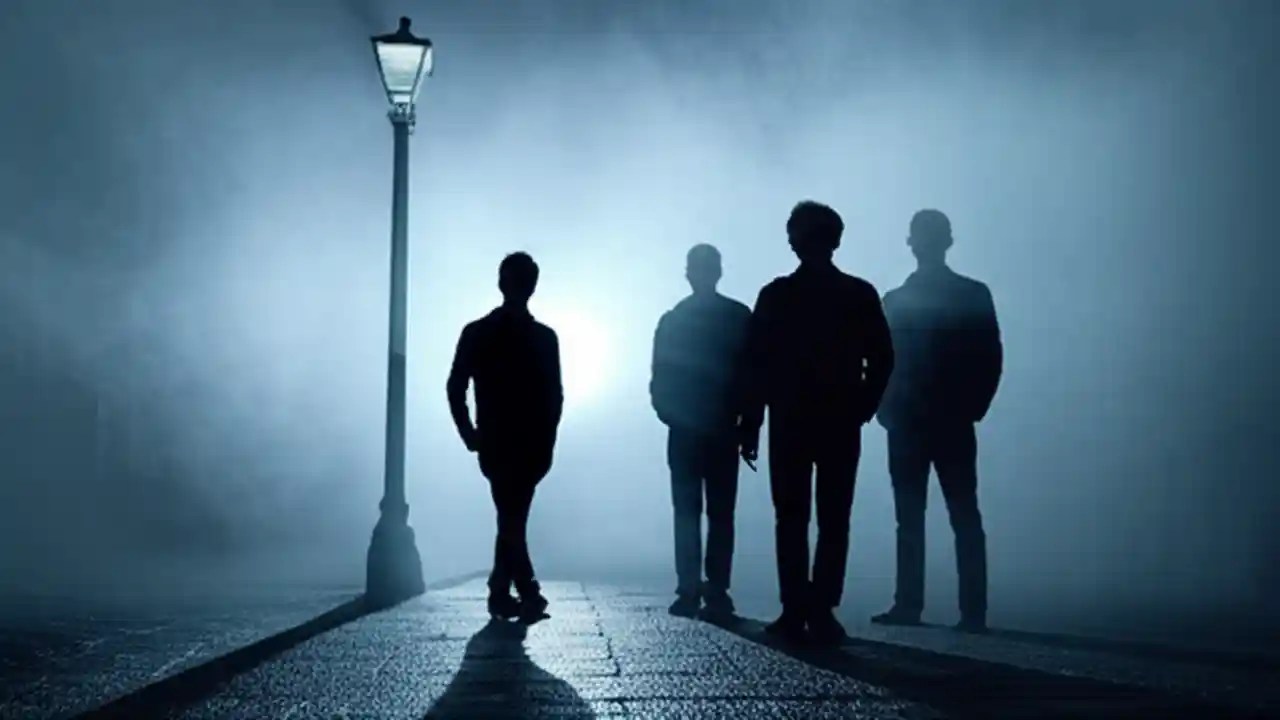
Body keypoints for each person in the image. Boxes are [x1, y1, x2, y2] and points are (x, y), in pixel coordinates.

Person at [740, 201, 895, 643]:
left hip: (790, 419)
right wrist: (863, 405)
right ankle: (822, 607)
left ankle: (795, 607)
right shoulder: (858, 293)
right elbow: (882, 358)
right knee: (833, 516)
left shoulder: (776, 295)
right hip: (839, 418)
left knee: (791, 516)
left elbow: (755, 364)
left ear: (795, 241)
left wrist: (750, 422)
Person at [871, 209, 1002, 634]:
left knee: (913, 515)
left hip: (912, 420)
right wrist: (973, 406)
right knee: (963, 514)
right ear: (948, 241)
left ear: (912, 244)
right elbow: (990, 357)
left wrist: (883, 409)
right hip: (948, 419)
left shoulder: (895, 300)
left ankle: (911, 604)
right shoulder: (972, 294)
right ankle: (972, 611)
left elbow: (879, 362)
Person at [447, 252, 563, 624]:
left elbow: (455, 386)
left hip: (496, 442)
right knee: (513, 518)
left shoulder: (478, 332)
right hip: (528, 444)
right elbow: (555, 397)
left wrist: (469, 431)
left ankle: (502, 592)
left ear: (501, 282)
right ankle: (524, 590)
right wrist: (548, 441)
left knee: (510, 517)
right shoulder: (544, 338)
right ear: (533, 286)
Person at [650, 244, 752, 621]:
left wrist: (674, 416)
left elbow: (660, 380)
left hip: (688, 429)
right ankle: (716, 588)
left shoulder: (673, 320)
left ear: (689, 273)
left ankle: (690, 586)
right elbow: (752, 376)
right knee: (721, 512)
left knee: (688, 512)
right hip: (723, 428)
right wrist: (749, 422)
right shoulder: (738, 316)